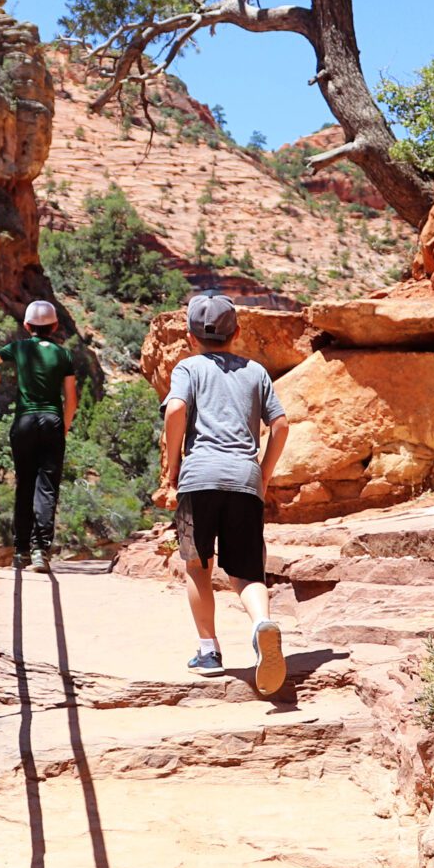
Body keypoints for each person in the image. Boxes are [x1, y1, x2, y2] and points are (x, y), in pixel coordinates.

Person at [155, 294, 291, 694]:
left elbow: (176, 410)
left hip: (200, 477)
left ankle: (209, 650)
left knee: (198, 565)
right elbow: (280, 425)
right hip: (245, 479)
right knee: (246, 570)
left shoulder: (188, 368)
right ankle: (262, 624)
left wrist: (174, 466)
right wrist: (263, 474)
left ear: (190, 335)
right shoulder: (256, 372)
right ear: (238, 331)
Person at [0, 300, 78, 573]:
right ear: (55, 326)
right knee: (47, 487)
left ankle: (20, 551)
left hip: (23, 423)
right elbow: (72, 400)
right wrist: (63, 427)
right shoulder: (63, 355)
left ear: (26, 325)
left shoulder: (18, 348)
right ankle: (39, 551)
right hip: (52, 421)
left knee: (25, 484)